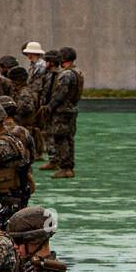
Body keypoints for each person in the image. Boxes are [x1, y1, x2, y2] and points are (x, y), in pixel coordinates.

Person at [46, 46, 81, 178]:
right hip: (71, 109)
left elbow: (60, 94)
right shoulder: (77, 72)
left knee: (61, 139)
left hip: (62, 111)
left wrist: (50, 107)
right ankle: (68, 167)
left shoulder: (66, 74)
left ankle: (65, 167)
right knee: (69, 138)